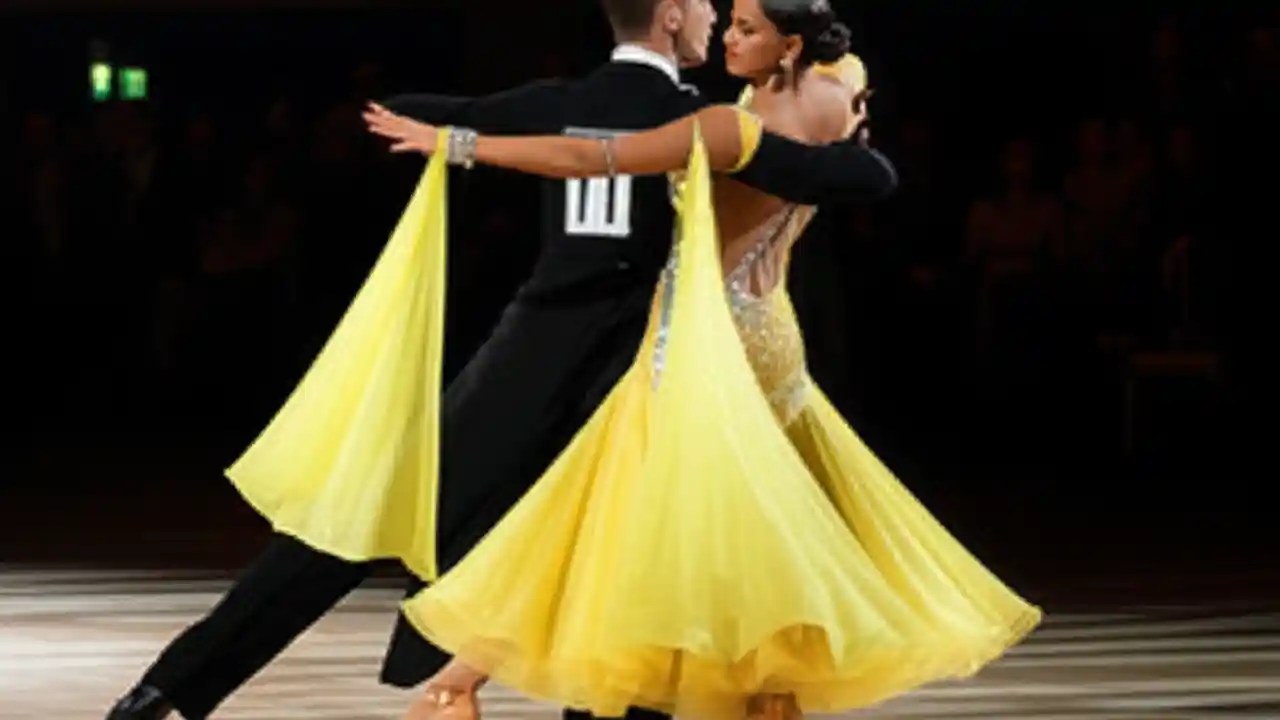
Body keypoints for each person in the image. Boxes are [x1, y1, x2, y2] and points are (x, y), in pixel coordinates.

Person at [105, 2, 897, 719]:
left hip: (527, 360)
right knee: (627, 573)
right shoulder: (712, 116)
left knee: (370, 527)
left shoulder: (564, 99)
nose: (717, 21)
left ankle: (173, 683)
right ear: (669, 19)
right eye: (705, 10)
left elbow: (458, 119)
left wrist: (412, 125)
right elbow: (843, 171)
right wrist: (848, 127)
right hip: (629, 379)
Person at [364, 1, 1042, 719]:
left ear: (786, 45)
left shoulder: (729, 126)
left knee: (608, 509)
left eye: (747, 28)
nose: (728, 34)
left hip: (703, 333)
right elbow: (858, 128)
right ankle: (761, 694)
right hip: (774, 333)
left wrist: (457, 144)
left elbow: (587, 157)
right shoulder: (839, 90)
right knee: (750, 525)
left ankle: (459, 682)